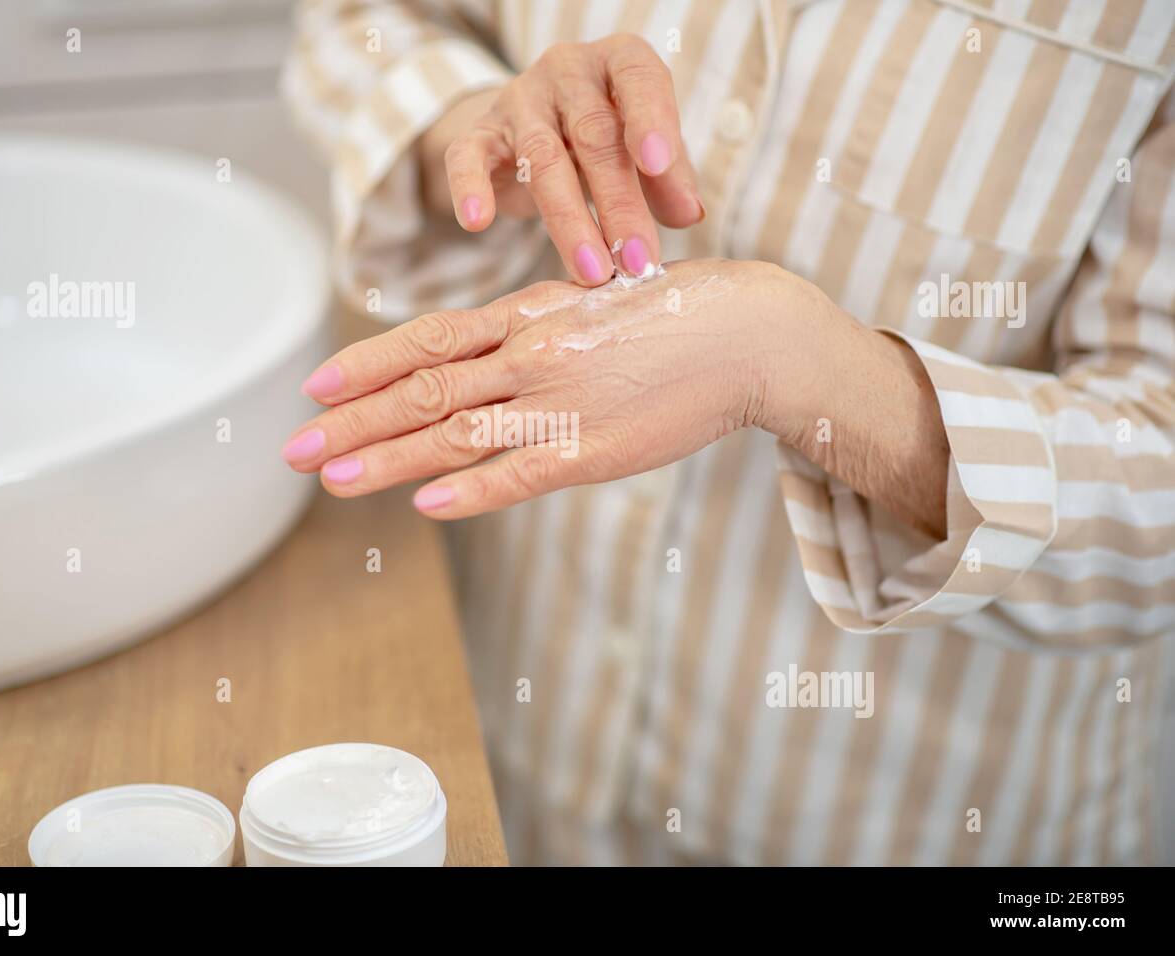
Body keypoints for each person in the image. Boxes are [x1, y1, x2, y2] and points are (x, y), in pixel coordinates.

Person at [279, 0, 1175, 865]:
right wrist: (468, 127)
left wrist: (799, 364)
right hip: (523, 730)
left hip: (921, 820)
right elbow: (356, 23)